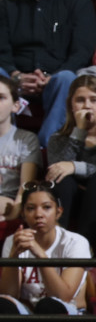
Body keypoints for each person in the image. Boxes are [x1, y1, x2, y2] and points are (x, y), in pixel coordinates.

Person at [0, 0, 96, 146]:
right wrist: (16, 75)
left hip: (57, 78)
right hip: (15, 79)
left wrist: (50, 77)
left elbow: (82, 51)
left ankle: (46, 148)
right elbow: (2, 51)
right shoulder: (7, 8)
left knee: (67, 78)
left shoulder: (79, 4)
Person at [0, 182, 91, 322]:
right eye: (30, 208)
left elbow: (63, 297)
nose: (38, 214)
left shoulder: (76, 242)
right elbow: (9, 296)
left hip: (72, 319)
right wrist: (14, 255)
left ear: (59, 212)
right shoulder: (13, 241)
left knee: (48, 307)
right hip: (30, 316)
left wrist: (40, 255)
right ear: (23, 213)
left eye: (46, 207)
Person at [44, 74, 96, 237]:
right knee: (62, 180)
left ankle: (84, 249)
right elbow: (56, 171)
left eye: (94, 100)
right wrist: (79, 131)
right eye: (80, 100)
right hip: (71, 199)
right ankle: (58, 244)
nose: (87, 105)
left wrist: (75, 167)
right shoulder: (57, 138)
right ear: (71, 105)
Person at [0, 73, 38, 222]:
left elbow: (25, 188)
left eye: (1, 98)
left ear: (16, 106)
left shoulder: (27, 139)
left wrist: (14, 213)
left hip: (8, 201)